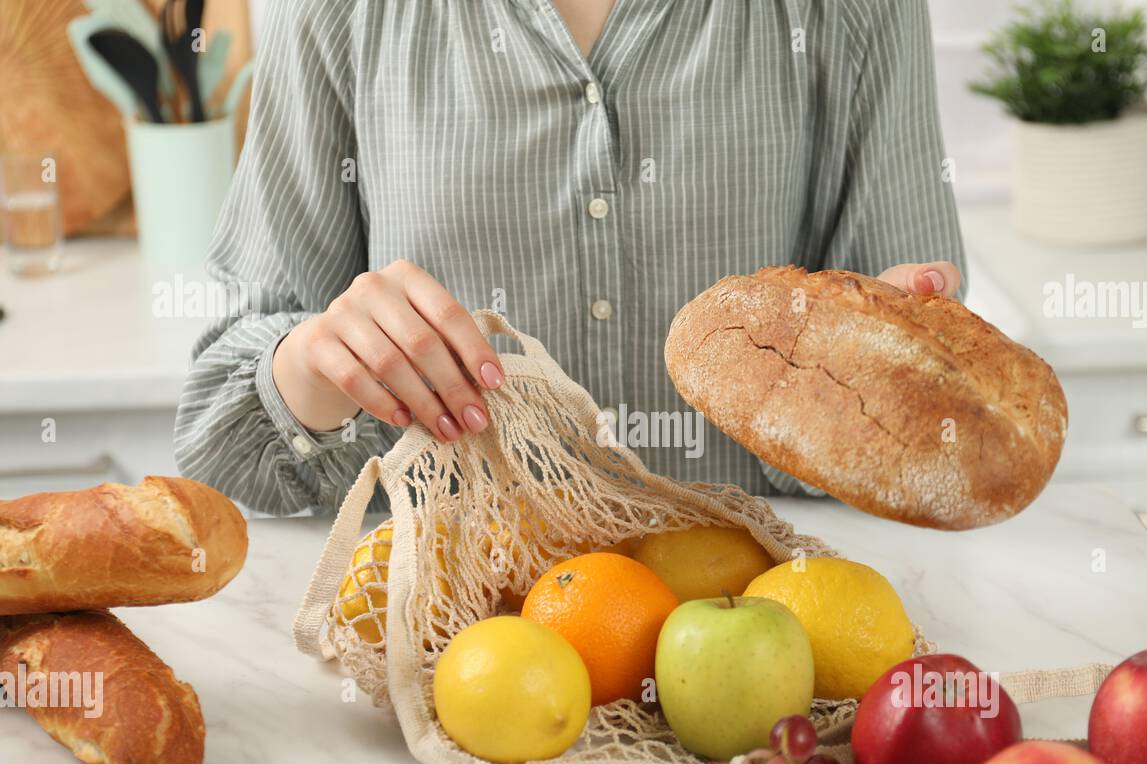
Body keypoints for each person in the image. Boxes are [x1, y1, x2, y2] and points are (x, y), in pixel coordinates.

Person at [175, 0, 965, 515]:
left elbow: (934, 456)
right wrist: (318, 365)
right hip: (450, 656)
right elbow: (216, 440)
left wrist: (877, 399)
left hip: (767, 653)